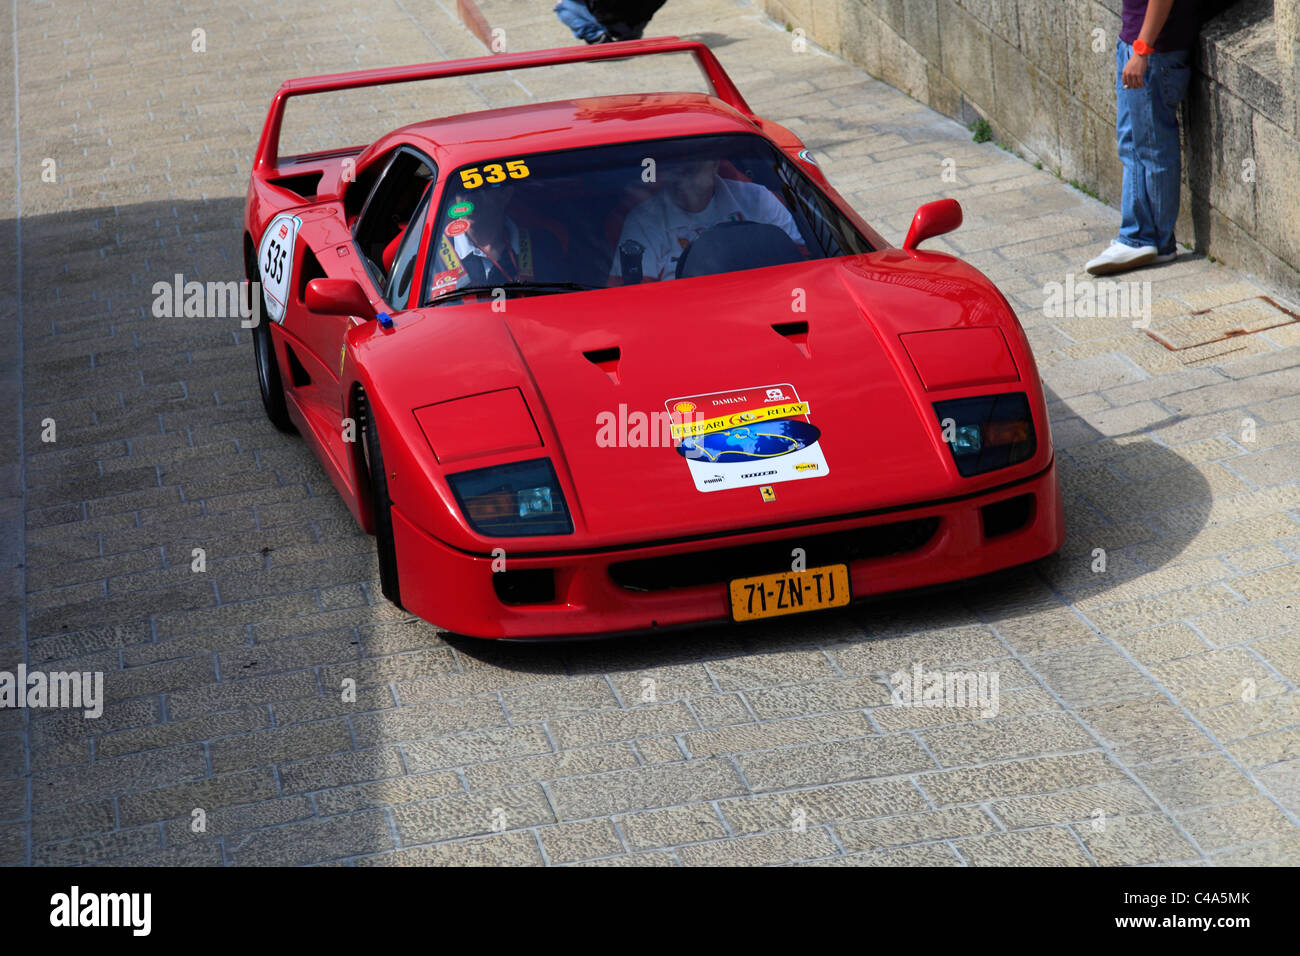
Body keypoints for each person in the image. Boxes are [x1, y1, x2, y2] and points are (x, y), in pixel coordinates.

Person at [1085, 0, 1199, 276]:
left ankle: (1149, 238)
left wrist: (1142, 48)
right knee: (1132, 144)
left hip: (1151, 52)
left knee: (1151, 146)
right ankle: (1139, 235)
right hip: (1136, 45)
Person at [610, 158, 804, 282]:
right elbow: (635, 301)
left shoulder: (758, 200)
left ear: (714, 165)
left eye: (690, 170)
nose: (680, 179)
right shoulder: (644, 220)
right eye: (672, 169)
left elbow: (802, 267)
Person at [428, 183, 561, 297]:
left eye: (479, 189)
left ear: (506, 194)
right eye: (461, 191)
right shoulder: (432, 253)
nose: (469, 200)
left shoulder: (543, 245)